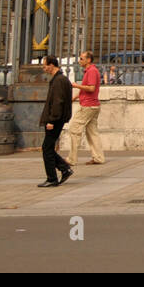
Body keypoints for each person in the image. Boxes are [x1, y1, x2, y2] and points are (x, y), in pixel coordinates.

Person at [38, 55, 74, 188]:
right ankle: (64, 168)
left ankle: (52, 178)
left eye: (45, 65)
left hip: (55, 119)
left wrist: (52, 120)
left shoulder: (59, 80)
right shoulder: (60, 79)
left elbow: (58, 102)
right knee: (47, 147)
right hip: (57, 118)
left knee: (47, 148)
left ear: (52, 65)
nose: (44, 68)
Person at [66, 50, 105, 166]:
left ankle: (71, 159)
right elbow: (87, 89)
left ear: (88, 60)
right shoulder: (90, 70)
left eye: (82, 58)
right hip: (93, 105)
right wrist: (76, 96)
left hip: (88, 106)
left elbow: (91, 88)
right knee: (92, 133)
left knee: (74, 129)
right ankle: (98, 157)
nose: (79, 60)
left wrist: (76, 85)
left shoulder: (92, 71)